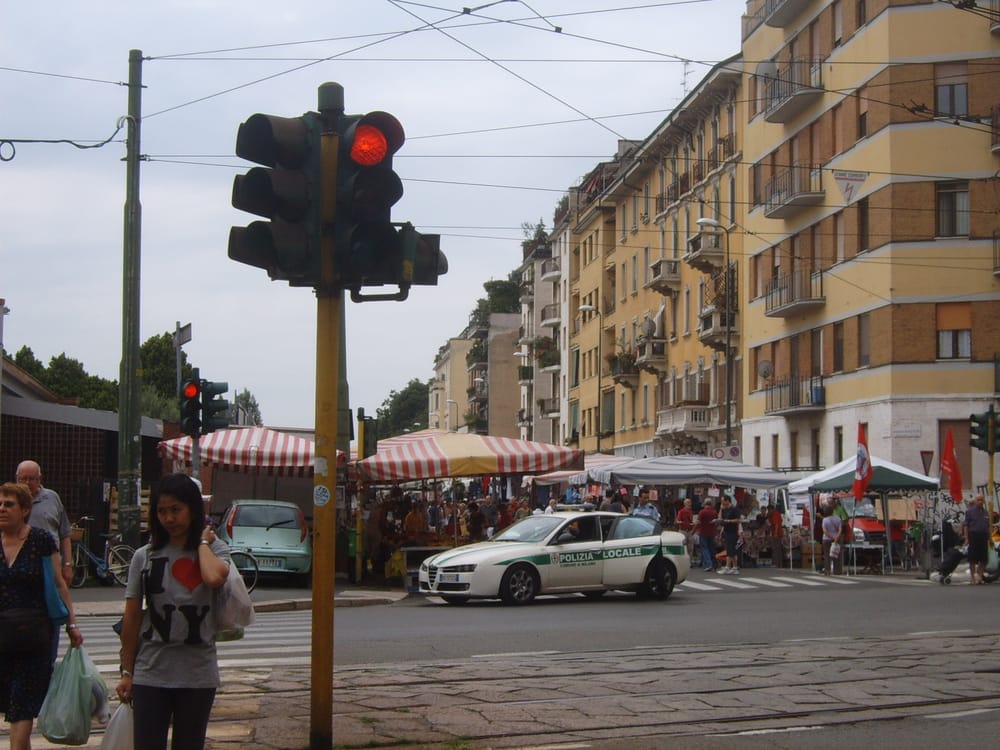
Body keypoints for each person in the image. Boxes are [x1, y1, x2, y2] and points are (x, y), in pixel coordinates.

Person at [116, 473, 230, 750]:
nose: (168, 518)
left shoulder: (216, 550)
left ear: (192, 509)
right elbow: (131, 617)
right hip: (151, 671)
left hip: (197, 674)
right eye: (162, 511)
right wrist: (126, 671)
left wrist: (202, 543)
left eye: (176, 510)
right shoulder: (144, 556)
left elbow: (214, 578)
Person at [1, 481, 84, 750]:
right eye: (0, 504)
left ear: (25, 510)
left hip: (33, 637)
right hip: (1, 640)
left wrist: (72, 624)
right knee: (9, 706)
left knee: (21, 709)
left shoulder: (40, 540)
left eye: (8, 504)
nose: (2, 509)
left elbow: (59, 583)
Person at [15, 461, 72, 587]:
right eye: (23, 479)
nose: (27, 483)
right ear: (17, 479)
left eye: (32, 479)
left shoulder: (52, 498)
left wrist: (67, 564)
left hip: (51, 565)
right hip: (19, 568)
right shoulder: (9, 502)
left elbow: (65, 534)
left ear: (39, 479)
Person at [962, 493, 990, 585]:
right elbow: (966, 525)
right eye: (978, 500)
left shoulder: (986, 513)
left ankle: (980, 576)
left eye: (982, 500)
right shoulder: (970, 512)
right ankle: (972, 577)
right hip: (973, 536)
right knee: (972, 559)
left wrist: (990, 538)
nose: (980, 502)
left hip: (983, 537)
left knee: (983, 559)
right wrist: (966, 538)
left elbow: (988, 526)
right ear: (975, 501)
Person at [718, 495, 741, 574]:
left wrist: (729, 521)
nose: (722, 502)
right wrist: (721, 509)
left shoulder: (734, 509)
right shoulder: (725, 509)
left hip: (733, 532)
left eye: (723, 501)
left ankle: (728, 566)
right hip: (726, 531)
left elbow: (738, 520)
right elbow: (720, 519)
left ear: (727, 501)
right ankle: (735, 567)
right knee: (731, 550)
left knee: (730, 550)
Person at [696, 499, 718, 570]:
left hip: (703, 532)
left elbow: (698, 522)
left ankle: (708, 564)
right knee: (711, 548)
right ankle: (713, 563)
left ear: (704, 504)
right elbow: (717, 522)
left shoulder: (702, 512)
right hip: (712, 533)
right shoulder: (714, 512)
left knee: (704, 548)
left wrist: (694, 530)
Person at [821, 504, 843, 575]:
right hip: (837, 539)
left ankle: (827, 571)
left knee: (827, 555)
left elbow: (825, 531)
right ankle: (837, 571)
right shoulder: (838, 518)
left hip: (826, 539)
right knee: (837, 555)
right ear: (832, 511)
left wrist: (831, 536)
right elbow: (840, 529)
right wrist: (836, 537)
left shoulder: (824, 520)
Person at [768, 503, 785, 568]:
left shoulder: (774, 514)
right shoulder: (777, 513)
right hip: (779, 533)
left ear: (771, 509)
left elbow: (776, 525)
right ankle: (779, 564)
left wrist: (775, 534)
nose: (768, 511)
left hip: (776, 534)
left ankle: (775, 563)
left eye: (769, 510)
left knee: (775, 549)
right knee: (779, 549)